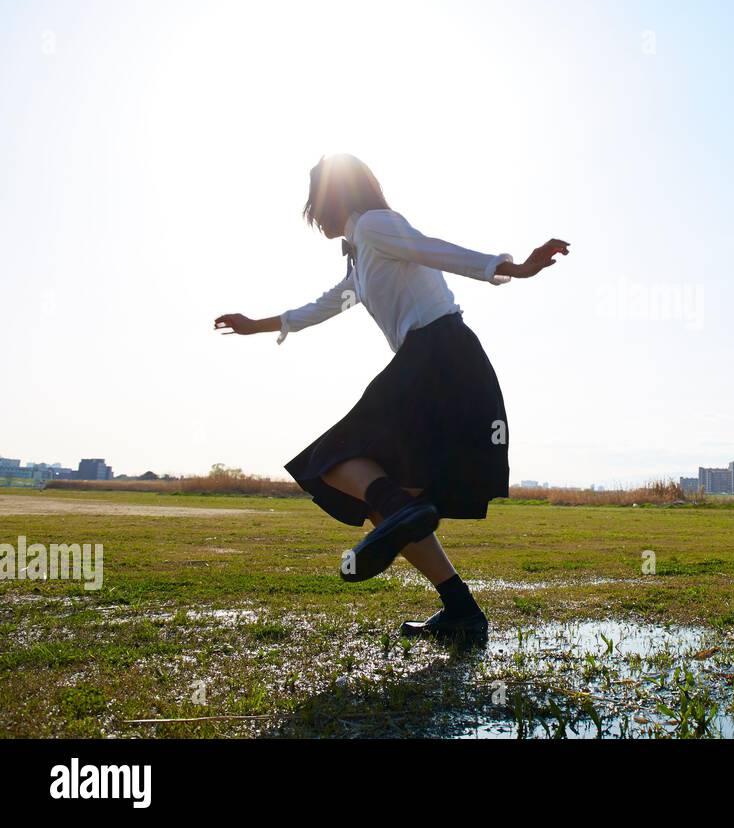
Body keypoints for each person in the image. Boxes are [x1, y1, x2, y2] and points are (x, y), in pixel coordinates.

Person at [214, 153, 569, 641]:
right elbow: (326, 306)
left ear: (335, 196)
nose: (312, 212)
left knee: (330, 460)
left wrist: (513, 268)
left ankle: (399, 509)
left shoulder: (378, 227)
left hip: (436, 354)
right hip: (445, 366)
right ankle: (462, 610)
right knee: (389, 510)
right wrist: (259, 325)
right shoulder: (362, 258)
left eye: (315, 199)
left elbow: (436, 250)